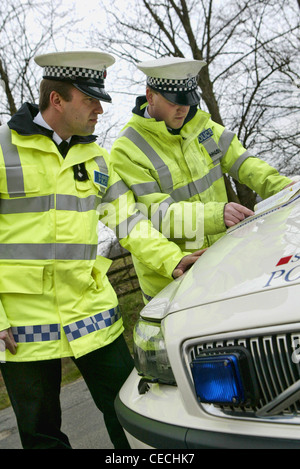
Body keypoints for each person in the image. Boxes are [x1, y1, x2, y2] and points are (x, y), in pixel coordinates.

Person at [0, 50, 204, 449]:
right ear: (57, 99)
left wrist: (173, 258)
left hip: (91, 312)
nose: (99, 110)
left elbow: (128, 221)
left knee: (130, 413)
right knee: (41, 434)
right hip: (23, 325)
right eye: (90, 99)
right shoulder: (4, 149)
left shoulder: (95, 156)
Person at [110, 56, 293, 303]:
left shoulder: (200, 126)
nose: (183, 109)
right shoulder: (127, 149)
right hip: (173, 282)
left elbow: (245, 163)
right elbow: (155, 214)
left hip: (222, 268)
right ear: (150, 96)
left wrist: (285, 188)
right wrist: (217, 216)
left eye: (188, 100)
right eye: (174, 101)